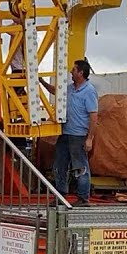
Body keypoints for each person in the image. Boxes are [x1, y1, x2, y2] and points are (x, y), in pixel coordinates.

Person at [52, 58, 98, 206]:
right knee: (60, 165)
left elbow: (93, 116)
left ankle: (83, 198)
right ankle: (60, 195)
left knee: (80, 167)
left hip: (78, 136)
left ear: (81, 73)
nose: (71, 72)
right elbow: (57, 93)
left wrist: (89, 138)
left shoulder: (89, 91)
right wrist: (40, 82)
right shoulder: (70, 89)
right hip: (65, 133)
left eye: (74, 69)